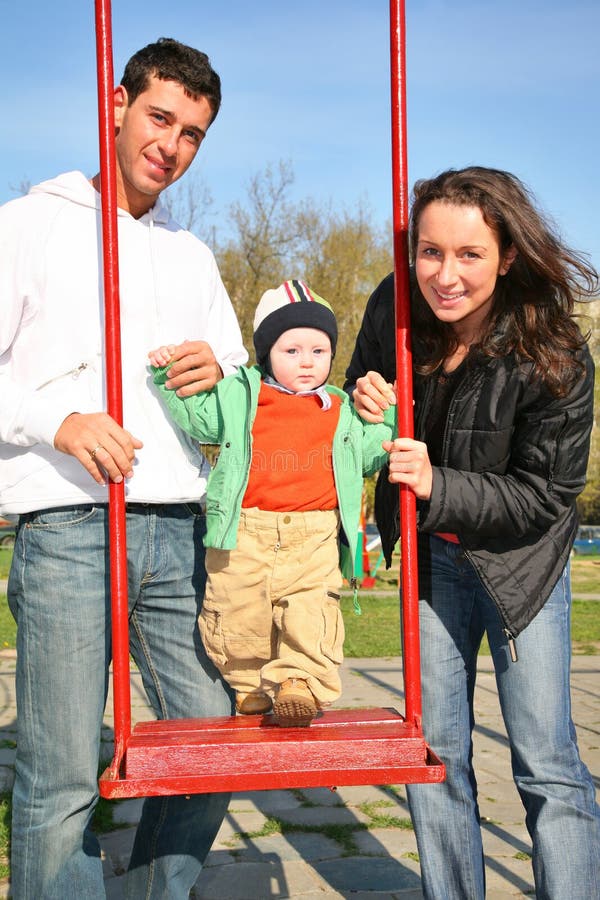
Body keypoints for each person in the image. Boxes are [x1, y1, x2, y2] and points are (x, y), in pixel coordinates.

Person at [0, 38, 248, 899]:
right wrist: (56, 419)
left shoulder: (193, 255)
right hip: (69, 527)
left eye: (193, 134)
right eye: (160, 117)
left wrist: (222, 374)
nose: (172, 145)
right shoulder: (27, 223)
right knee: (65, 772)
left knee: (209, 738)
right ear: (115, 102)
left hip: (176, 528)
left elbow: (237, 374)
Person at [345, 167, 599, 899]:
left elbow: (546, 496)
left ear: (507, 255)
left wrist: (436, 483)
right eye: (430, 252)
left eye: (468, 255)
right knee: (433, 756)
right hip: (430, 561)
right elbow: (356, 402)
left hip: (522, 570)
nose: (444, 275)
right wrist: (362, 397)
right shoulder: (395, 306)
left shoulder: (552, 350)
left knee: (546, 764)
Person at [148, 279, 397, 727]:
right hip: (245, 532)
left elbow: (369, 453)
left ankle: (298, 683)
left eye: (319, 352)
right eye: (292, 351)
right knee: (238, 612)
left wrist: (389, 418)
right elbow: (200, 418)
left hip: (315, 534)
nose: (307, 362)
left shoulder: (339, 408)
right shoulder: (242, 395)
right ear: (267, 354)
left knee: (311, 611)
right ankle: (248, 687)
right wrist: (169, 377)